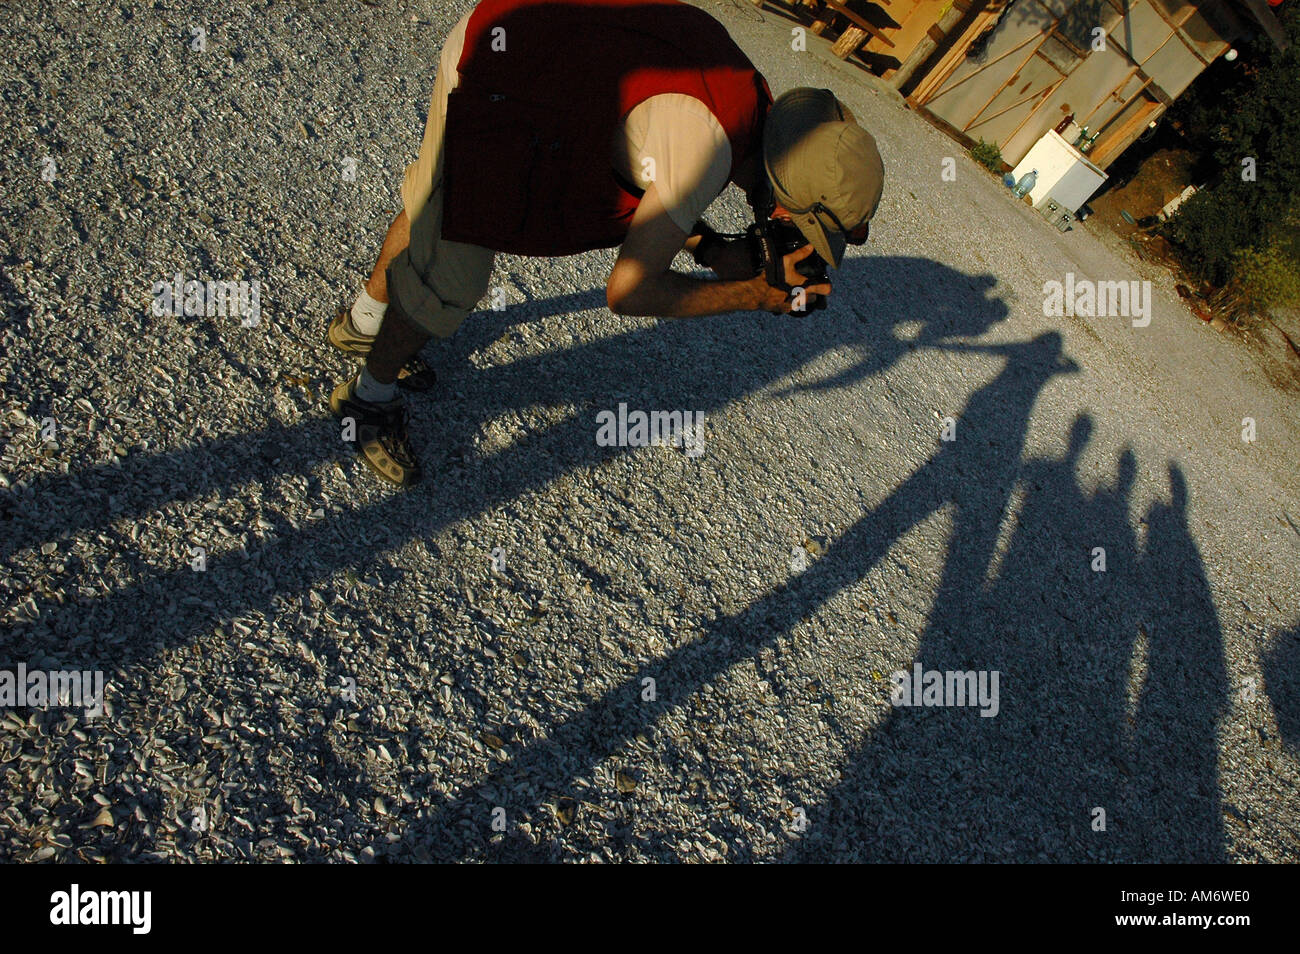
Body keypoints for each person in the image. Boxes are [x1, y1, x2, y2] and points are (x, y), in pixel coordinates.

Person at [329, 0, 885, 486]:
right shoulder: (708, 146)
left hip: (502, 32)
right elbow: (628, 291)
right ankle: (366, 400)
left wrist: (713, 251)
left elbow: (654, 157)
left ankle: (361, 323)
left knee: (431, 200)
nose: (789, 233)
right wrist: (756, 296)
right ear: (785, 201)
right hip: (497, 79)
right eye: (800, 226)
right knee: (450, 278)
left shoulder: (746, 96)